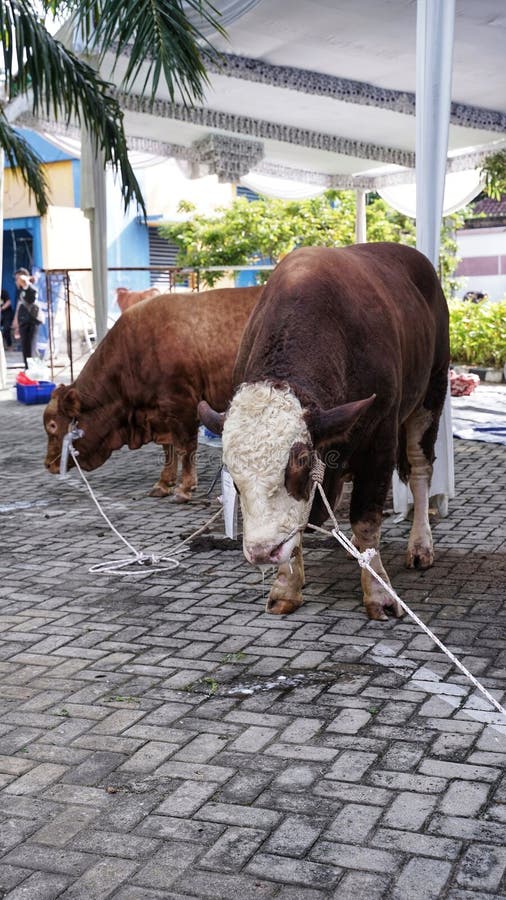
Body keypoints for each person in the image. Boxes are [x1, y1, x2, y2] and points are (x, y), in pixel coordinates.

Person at [12, 268, 40, 369]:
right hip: (23, 323)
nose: (17, 282)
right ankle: (28, 369)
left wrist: (26, 284)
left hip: (31, 323)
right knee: (25, 349)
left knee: (31, 349)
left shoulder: (31, 289)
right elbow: (20, 307)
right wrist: (17, 324)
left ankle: (32, 370)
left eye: (18, 279)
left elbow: (31, 300)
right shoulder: (22, 291)